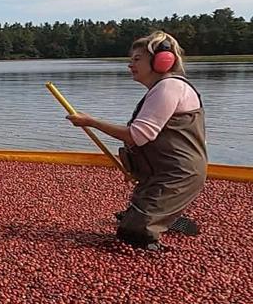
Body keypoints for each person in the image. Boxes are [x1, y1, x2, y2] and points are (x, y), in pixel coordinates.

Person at [65, 32, 207, 251]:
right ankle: (165, 216)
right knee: (130, 218)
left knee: (133, 234)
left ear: (162, 61)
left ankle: (162, 219)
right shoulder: (161, 88)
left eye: (137, 59)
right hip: (159, 171)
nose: (130, 65)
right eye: (130, 60)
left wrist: (91, 122)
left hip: (177, 173)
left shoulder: (169, 87)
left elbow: (137, 135)